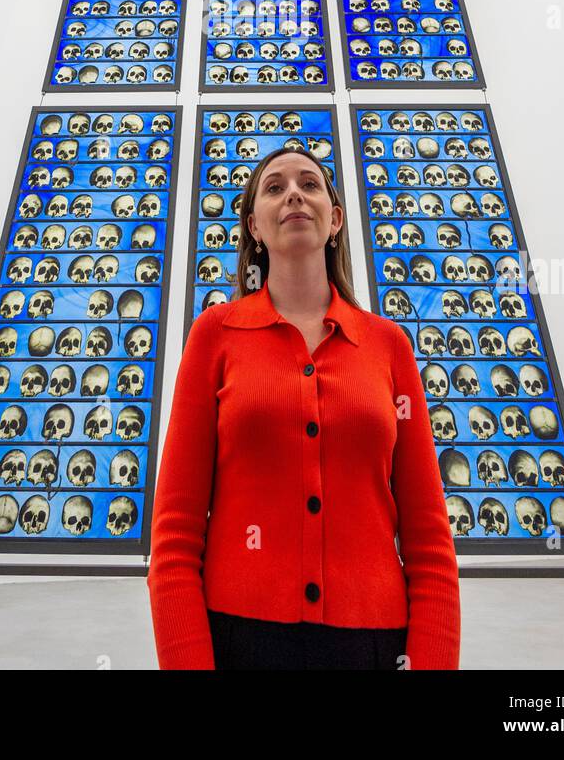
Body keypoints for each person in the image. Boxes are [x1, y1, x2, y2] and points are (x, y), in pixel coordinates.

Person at [146, 144, 461, 670]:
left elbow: (430, 540)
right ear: (254, 226)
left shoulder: (388, 345)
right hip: (239, 642)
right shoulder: (215, 336)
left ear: (335, 219)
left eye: (309, 184)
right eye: (274, 187)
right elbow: (175, 536)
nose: (293, 192)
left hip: (374, 645)